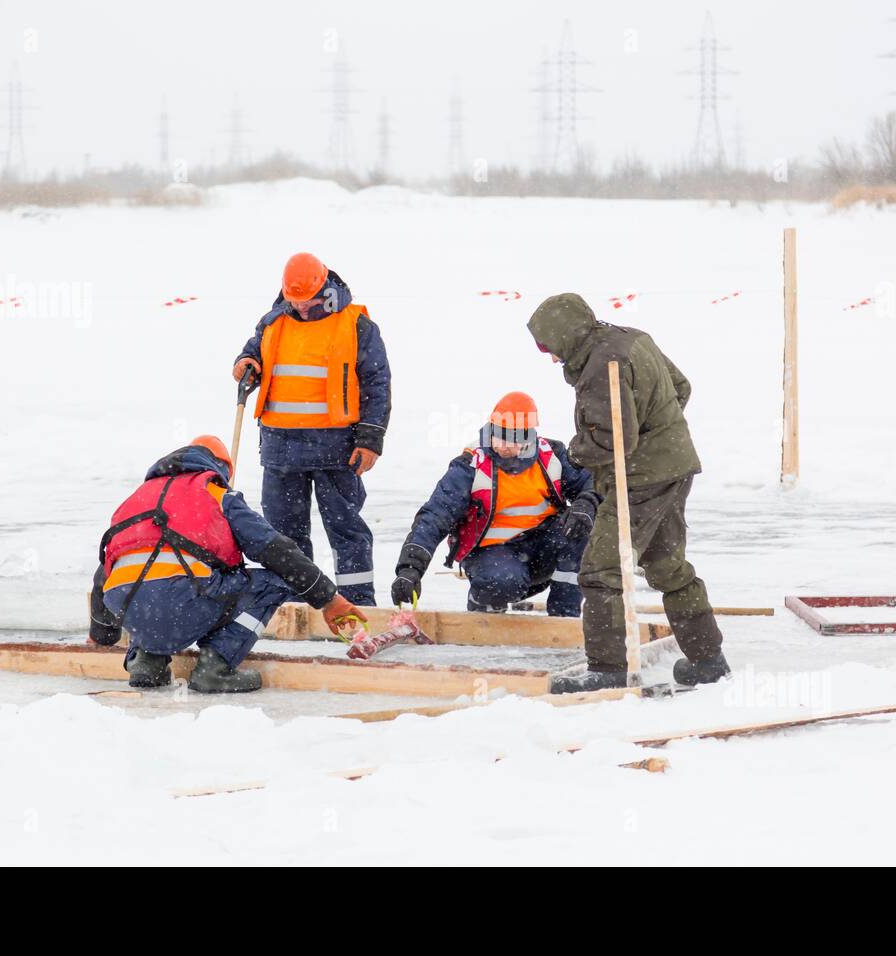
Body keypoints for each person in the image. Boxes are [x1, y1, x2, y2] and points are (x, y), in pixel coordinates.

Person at [526, 293, 731, 692]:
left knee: (602, 570)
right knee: (667, 565)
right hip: (675, 467)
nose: (551, 358)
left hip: (638, 479)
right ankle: (708, 659)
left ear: (565, 334)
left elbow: (609, 440)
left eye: (549, 347)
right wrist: (662, 434)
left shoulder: (601, 366)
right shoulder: (632, 338)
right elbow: (679, 387)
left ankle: (608, 670)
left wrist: (575, 449)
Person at [89, 436, 366, 692]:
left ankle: (146, 662)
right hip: (181, 600)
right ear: (219, 467)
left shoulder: (138, 498)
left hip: (128, 605)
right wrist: (328, 599)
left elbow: (105, 573)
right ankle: (216, 666)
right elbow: (277, 550)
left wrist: (101, 636)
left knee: (147, 586)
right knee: (273, 582)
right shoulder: (215, 493)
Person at [231, 252, 391, 606]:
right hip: (279, 446)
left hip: (336, 446)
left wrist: (371, 438)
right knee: (283, 535)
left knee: (346, 529)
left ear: (326, 288)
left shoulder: (356, 325)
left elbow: (376, 383)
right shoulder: (272, 321)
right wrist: (246, 365)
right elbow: (251, 354)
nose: (302, 308)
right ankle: (293, 601)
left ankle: (357, 601)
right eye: (295, 301)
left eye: (309, 301)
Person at [389, 392, 600, 617]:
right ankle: (484, 605)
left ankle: (564, 615)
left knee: (581, 530)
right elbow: (434, 516)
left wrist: (586, 504)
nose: (504, 446)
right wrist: (410, 569)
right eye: (498, 436)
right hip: (491, 554)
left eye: (513, 438)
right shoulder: (471, 466)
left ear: (529, 437)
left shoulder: (552, 457)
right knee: (503, 581)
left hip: (540, 548)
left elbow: (594, 483)